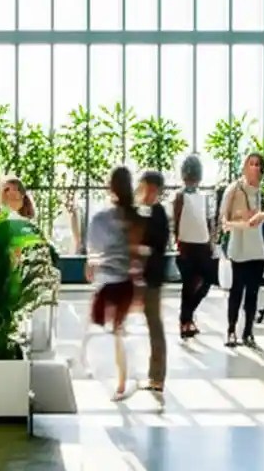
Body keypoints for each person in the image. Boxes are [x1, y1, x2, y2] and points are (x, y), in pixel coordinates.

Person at [84, 166, 142, 401]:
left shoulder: (102, 218)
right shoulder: (135, 217)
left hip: (108, 280)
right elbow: (138, 253)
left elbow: (94, 248)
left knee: (97, 327)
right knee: (117, 331)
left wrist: (92, 263)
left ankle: (109, 377)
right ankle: (121, 382)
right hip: (126, 282)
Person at [220, 153, 264, 349]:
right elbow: (224, 219)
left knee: (253, 292)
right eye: (251, 164)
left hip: (256, 246)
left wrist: (263, 216)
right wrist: (241, 219)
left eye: (258, 164)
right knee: (237, 289)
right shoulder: (235, 189)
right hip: (240, 244)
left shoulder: (259, 192)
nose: (255, 168)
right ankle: (231, 329)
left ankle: (248, 332)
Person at [173, 155, 214, 339]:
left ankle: (187, 317)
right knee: (190, 284)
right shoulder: (180, 196)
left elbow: (207, 221)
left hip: (199, 246)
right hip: (188, 246)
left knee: (203, 282)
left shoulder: (203, 197)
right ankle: (185, 321)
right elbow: (176, 220)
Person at [136, 170, 169, 393]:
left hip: (150, 278)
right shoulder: (143, 212)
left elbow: (156, 245)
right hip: (138, 277)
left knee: (154, 325)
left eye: (146, 187)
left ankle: (157, 377)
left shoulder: (157, 215)